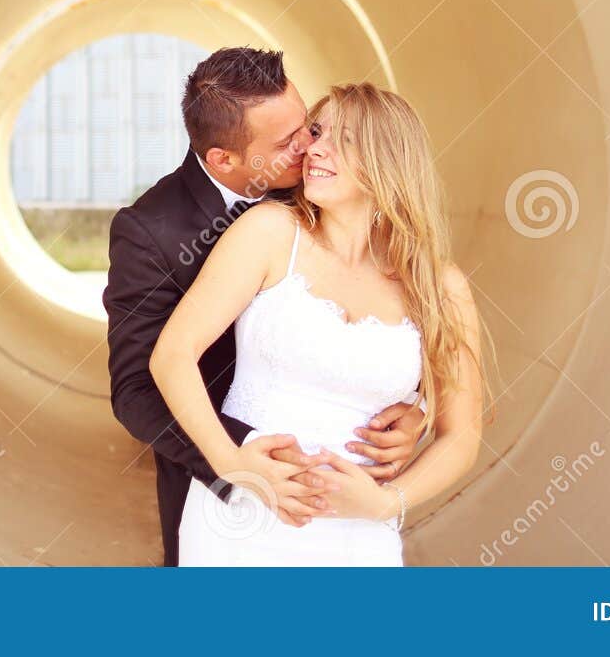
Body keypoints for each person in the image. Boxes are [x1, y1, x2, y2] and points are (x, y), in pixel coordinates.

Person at [103, 47, 426, 566]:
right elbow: (136, 391)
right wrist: (246, 458)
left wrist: (411, 411)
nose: (310, 147)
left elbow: (391, 318)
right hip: (222, 482)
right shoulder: (152, 233)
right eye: (286, 142)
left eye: (307, 126)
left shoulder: (325, 188)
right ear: (223, 160)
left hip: (347, 498)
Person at [150, 79, 486, 565]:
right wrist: (232, 464)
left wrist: (386, 503)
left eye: (343, 139)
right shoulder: (268, 233)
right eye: (316, 131)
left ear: (389, 161)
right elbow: (173, 355)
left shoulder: (439, 285)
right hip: (243, 522)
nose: (314, 149)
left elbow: (462, 436)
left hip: (357, 538)